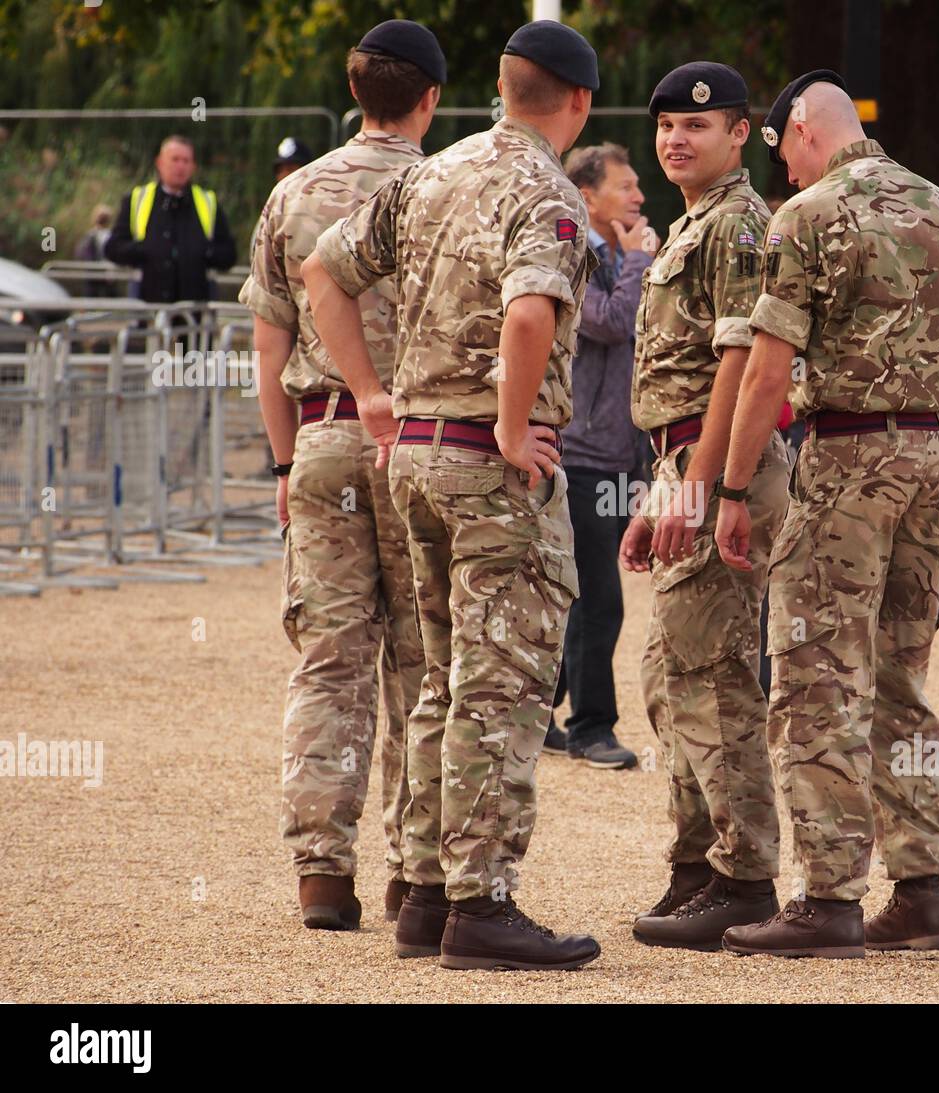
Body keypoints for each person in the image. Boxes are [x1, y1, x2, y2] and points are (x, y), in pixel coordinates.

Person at [303, 19, 602, 972]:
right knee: (501, 683)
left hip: (416, 457)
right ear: (580, 103)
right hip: (486, 465)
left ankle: (426, 891)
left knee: (439, 676)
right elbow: (529, 312)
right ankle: (483, 902)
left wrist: (371, 394)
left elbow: (323, 272)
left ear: (502, 87)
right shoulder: (550, 194)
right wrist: (515, 428)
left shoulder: (432, 173)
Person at [713, 71, 939, 959]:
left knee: (818, 673)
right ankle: (920, 890)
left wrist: (730, 487)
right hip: (932, 455)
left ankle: (827, 896)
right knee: (902, 675)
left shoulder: (810, 216)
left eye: (778, 145)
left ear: (801, 126)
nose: (781, 166)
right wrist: (935, 455)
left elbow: (765, 366)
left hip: (848, 456)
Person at [238, 19, 443, 932]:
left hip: (321, 437)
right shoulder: (442, 189)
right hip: (422, 439)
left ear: (356, 92)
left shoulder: (295, 195)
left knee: (328, 659)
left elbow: (268, 342)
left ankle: (322, 870)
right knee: (424, 658)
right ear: (430, 100)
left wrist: (284, 461)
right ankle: (417, 870)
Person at [618, 62, 788, 951]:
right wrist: (662, 485)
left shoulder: (740, 224)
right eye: (665, 129)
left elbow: (740, 364)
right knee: (669, 675)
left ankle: (746, 875)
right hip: (683, 455)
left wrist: (703, 482)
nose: (676, 140)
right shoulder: (695, 223)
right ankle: (696, 864)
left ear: (737, 134)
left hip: (722, 466)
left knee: (714, 676)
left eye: (698, 126)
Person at [546, 142, 656, 770]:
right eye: (627, 185)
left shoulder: (621, 253)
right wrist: (642, 262)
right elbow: (610, 322)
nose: (639, 196)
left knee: (580, 596)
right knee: (596, 597)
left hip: (622, 455)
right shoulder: (573, 252)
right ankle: (591, 727)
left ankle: (536, 711)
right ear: (587, 196)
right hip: (581, 452)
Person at [105, 135, 237, 303]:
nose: (180, 166)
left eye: (186, 161)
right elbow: (113, 248)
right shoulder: (137, 199)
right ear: (159, 162)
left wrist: (200, 251)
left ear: (193, 166)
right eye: (175, 159)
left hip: (194, 314)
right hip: (148, 310)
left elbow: (228, 254)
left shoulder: (207, 201)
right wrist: (147, 249)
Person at [73, 205, 116, 297]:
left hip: (92, 272)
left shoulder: (90, 235)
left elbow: (79, 254)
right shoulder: (109, 236)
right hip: (103, 272)